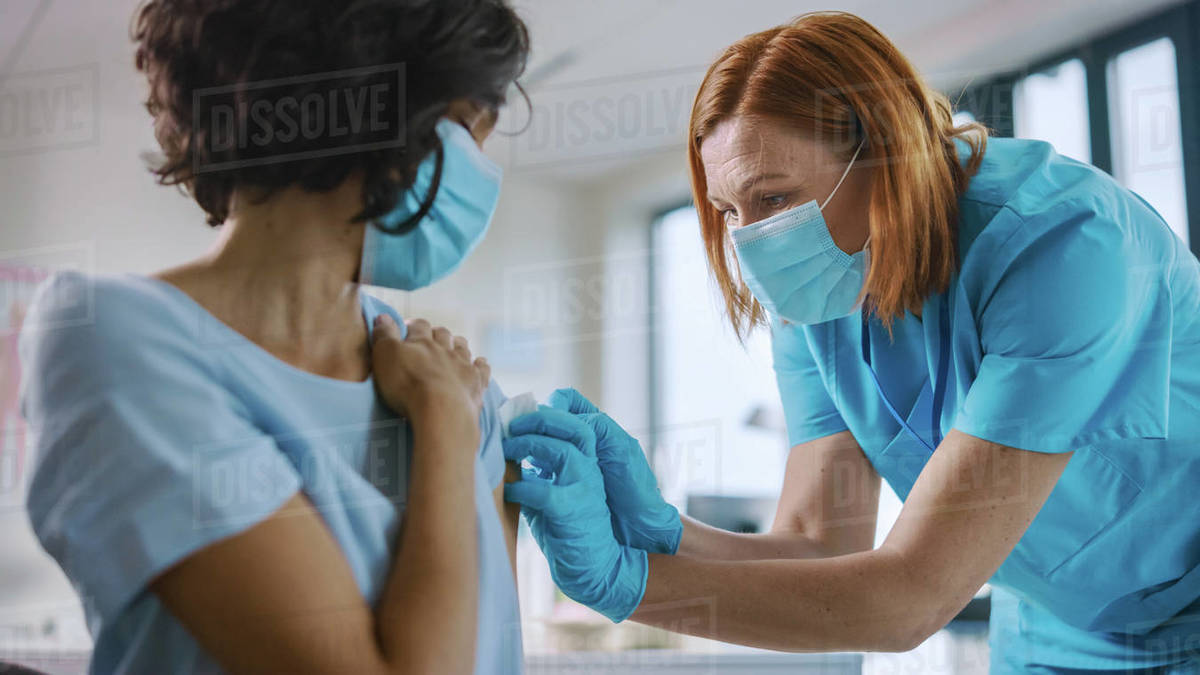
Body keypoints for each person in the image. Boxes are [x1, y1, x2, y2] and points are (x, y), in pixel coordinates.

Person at [502, 11, 1200, 673]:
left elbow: (910, 597)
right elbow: (818, 542)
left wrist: (634, 586)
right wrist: (666, 532)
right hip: (1050, 612)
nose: (751, 242)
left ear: (886, 152)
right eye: (728, 212)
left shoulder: (1063, 246)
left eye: (773, 198)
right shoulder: (820, 291)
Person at [18, 1, 528, 673]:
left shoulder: (445, 375)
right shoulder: (113, 341)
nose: (480, 175)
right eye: (465, 127)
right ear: (361, 100)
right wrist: (443, 430)